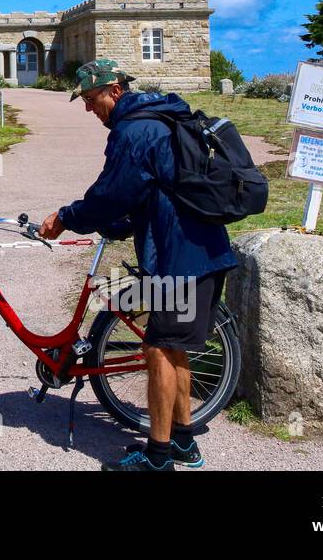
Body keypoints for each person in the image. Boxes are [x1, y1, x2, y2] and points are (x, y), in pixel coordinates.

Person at [38, 59, 238, 472]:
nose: (90, 109)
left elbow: (111, 194)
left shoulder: (135, 130)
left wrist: (66, 218)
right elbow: (149, 190)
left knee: (159, 351)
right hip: (198, 250)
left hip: (180, 258)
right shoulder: (156, 119)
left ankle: (157, 457)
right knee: (173, 347)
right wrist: (122, 223)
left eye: (92, 100)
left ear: (114, 89)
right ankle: (183, 443)